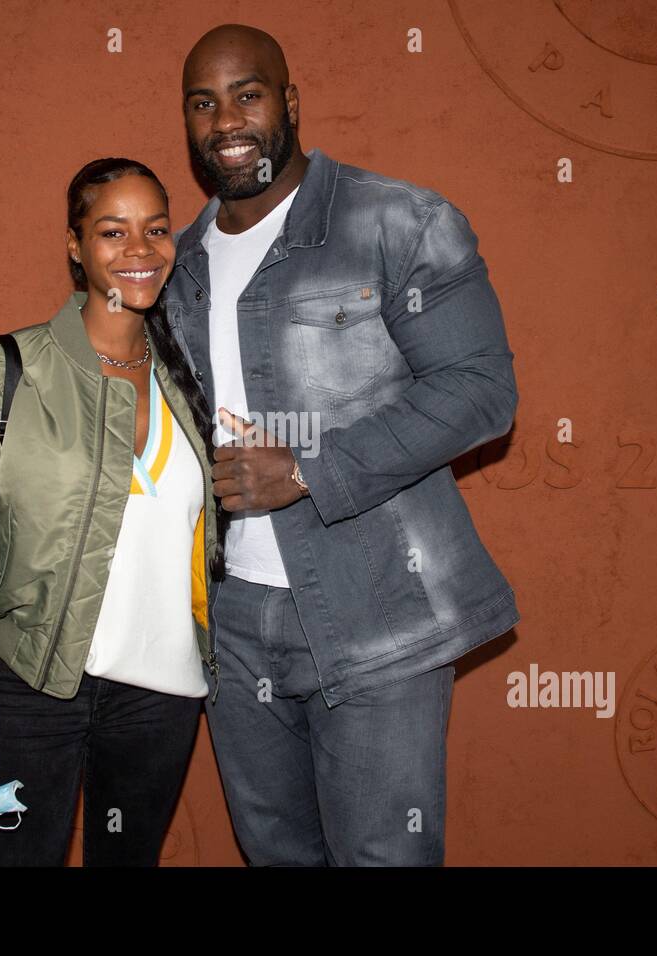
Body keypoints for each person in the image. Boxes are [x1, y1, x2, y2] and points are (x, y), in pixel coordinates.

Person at [166, 24, 521, 865]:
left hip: (378, 608)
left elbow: (482, 391)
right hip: (232, 623)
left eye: (247, 94)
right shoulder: (178, 264)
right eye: (203, 102)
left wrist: (308, 469)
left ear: (289, 102)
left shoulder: (396, 221)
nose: (226, 120)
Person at [0, 158, 224, 866]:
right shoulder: (0, 371)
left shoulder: (186, 383)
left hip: (161, 703)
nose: (140, 250)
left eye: (157, 230)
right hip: (18, 696)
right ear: (76, 246)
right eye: (113, 231)